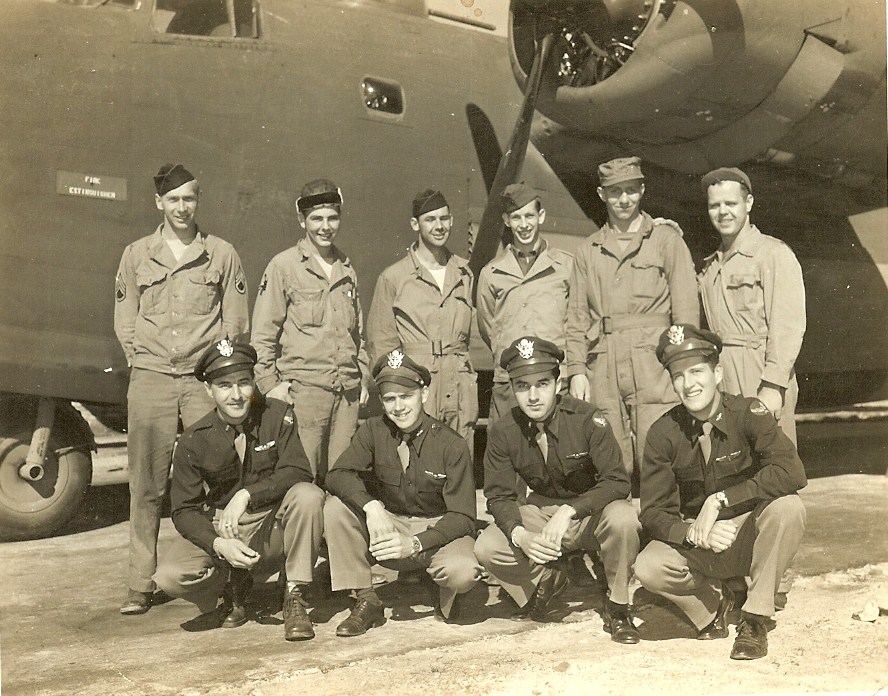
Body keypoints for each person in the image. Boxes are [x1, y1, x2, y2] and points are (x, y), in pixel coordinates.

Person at [114, 163, 249, 615]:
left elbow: (235, 320)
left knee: (219, 479)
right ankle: (139, 582)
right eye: (173, 200)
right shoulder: (136, 254)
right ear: (159, 203)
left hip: (200, 382)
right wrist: (144, 362)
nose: (181, 207)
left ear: (198, 200)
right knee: (147, 484)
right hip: (151, 379)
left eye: (188, 198)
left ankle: (227, 576)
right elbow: (125, 318)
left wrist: (215, 373)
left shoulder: (221, 254)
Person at [635, 324, 807, 660]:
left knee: (788, 509)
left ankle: (755, 619)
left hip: (748, 537)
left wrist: (722, 499)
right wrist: (695, 534)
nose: (689, 384)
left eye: (697, 371)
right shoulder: (662, 433)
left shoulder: (748, 413)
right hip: (702, 543)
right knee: (648, 566)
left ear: (717, 373)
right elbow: (652, 513)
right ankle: (711, 610)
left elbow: (792, 471)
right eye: (679, 375)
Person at [154, 339, 325, 641]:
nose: (236, 395)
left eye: (243, 383)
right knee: (171, 575)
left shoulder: (278, 415)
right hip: (227, 530)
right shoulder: (194, 439)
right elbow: (183, 511)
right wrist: (218, 544)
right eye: (224, 385)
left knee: (308, 495)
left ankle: (294, 594)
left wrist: (246, 495)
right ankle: (232, 587)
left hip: (272, 524)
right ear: (209, 390)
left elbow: (299, 471)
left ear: (253, 382)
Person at [474, 336, 641, 643]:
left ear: (557, 382)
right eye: (522, 386)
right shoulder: (503, 431)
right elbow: (498, 495)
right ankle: (549, 578)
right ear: (512, 388)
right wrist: (520, 535)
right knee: (487, 546)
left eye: (542, 384)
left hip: (591, 513)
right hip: (541, 512)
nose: (533, 396)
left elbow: (618, 481)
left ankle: (617, 605)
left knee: (624, 519)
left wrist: (571, 510)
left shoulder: (587, 419)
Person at [324, 350, 480, 634]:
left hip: (435, 531)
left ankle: (442, 589)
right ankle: (366, 597)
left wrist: (417, 543)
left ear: (424, 393)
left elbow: (463, 517)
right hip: (389, 527)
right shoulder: (373, 430)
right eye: (389, 399)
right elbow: (337, 475)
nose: (398, 407)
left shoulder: (451, 444)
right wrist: (372, 507)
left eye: (406, 396)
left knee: (463, 572)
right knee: (335, 508)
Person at [566, 156, 699, 479]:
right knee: (611, 456)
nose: (623, 200)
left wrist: (684, 366)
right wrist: (576, 370)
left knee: (660, 450)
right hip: (604, 364)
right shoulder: (587, 251)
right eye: (615, 192)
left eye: (630, 190)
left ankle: (666, 523)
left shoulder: (667, 241)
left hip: (653, 364)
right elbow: (576, 318)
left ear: (642, 191)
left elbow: (685, 311)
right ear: (601, 195)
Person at [251, 178, 370, 485]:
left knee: (341, 479)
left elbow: (359, 335)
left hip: (346, 395)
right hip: (305, 394)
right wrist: (269, 384)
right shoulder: (284, 267)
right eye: (316, 218)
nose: (325, 226)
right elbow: (263, 333)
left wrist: (363, 377)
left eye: (332, 217)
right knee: (302, 479)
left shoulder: (346, 268)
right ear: (301, 220)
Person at [698, 167, 805, 445]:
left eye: (731, 203)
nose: (723, 212)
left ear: (748, 204)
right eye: (714, 205)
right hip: (723, 377)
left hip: (759, 373)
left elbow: (788, 327)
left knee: (774, 471)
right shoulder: (710, 267)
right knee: (732, 469)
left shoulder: (773, 254)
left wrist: (773, 384)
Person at [367, 189, 477, 445]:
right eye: (430, 220)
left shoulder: (464, 273)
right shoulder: (394, 278)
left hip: (459, 383)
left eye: (444, 219)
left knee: (461, 458)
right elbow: (382, 344)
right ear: (415, 224)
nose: (439, 226)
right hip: (417, 383)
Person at [477, 182, 573, 422]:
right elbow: (488, 326)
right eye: (516, 217)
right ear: (507, 221)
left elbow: (577, 321)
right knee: (509, 452)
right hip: (510, 382)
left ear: (541, 216)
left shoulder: (566, 266)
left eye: (529, 216)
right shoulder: (492, 273)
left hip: (554, 380)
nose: (524, 225)